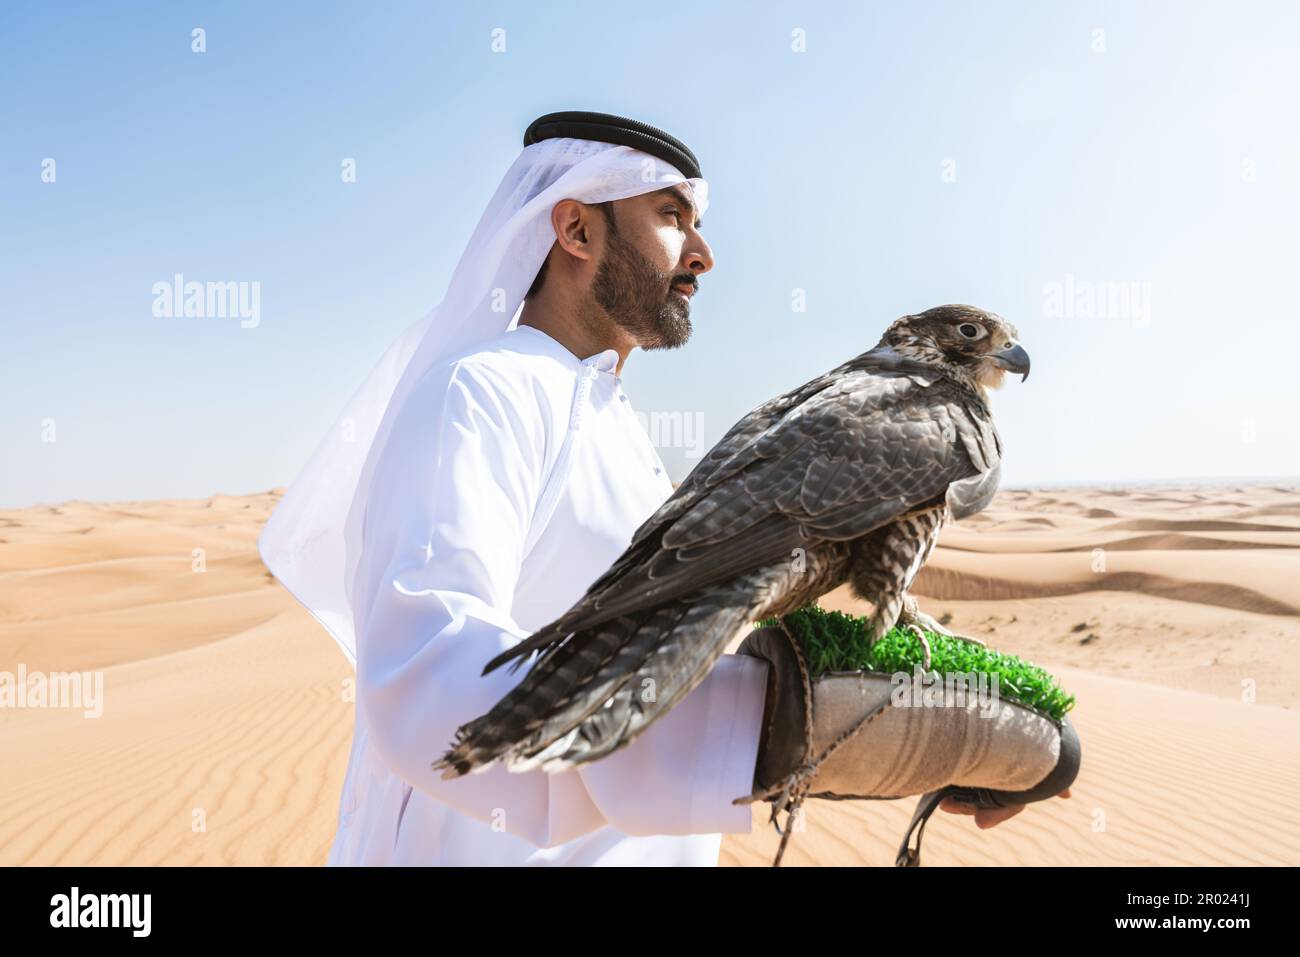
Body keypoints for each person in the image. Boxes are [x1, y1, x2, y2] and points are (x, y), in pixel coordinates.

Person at [259, 110, 1060, 867]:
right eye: (673, 216)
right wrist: (762, 727)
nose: (703, 253)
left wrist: (901, 732)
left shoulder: (621, 430)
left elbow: (699, 638)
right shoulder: (482, 392)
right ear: (576, 228)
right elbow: (423, 677)